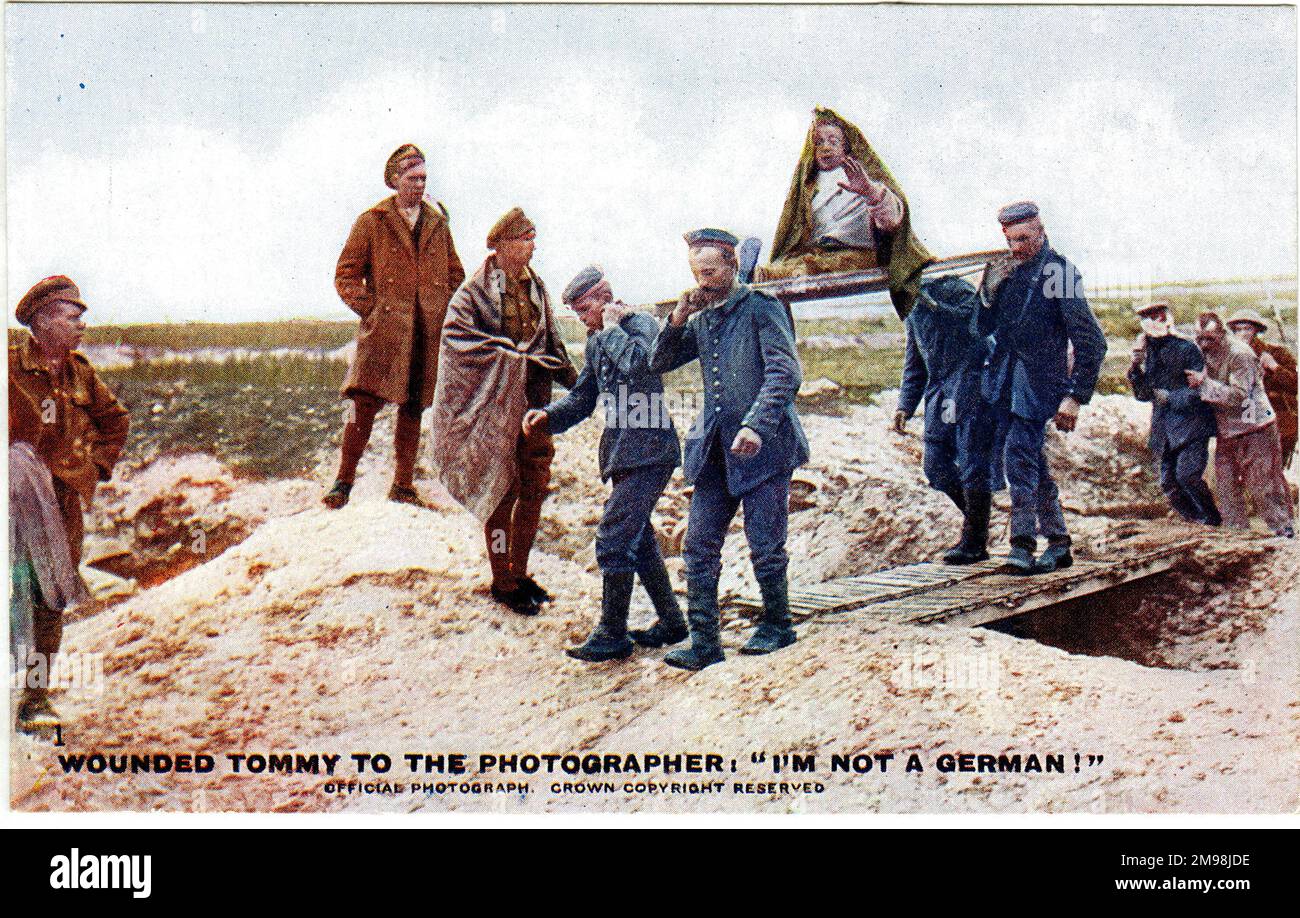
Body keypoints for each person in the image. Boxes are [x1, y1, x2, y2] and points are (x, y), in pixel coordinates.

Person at [649, 228, 810, 670]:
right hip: (716, 451)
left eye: (710, 270)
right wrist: (678, 317)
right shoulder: (702, 318)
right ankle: (704, 642)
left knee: (766, 544)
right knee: (699, 544)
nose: (702, 279)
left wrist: (756, 425)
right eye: (696, 272)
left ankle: (778, 624)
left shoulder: (761, 308)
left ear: (732, 265)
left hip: (766, 448)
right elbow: (659, 363)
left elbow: (785, 372)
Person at [523, 266, 686, 661]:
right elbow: (583, 398)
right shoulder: (598, 342)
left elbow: (641, 367)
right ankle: (672, 622)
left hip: (650, 449)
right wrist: (548, 415)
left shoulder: (642, 325)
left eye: (585, 311)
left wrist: (612, 328)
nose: (583, 321)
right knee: (639, 539)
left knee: (614, 536)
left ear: (604, 298)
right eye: (577, 315)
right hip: (622, 452)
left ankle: (612, 633)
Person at [431, 208, 578, 615]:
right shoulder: (474, 292)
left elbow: (551, 343)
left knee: (534, 486)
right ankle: (502, 578)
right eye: (524, 239)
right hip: (491, 410)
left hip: (534, 402)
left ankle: (521, 570)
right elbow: (457, 341)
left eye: (533, 238)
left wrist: (581, 384)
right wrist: (509, 358)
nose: (532, 245)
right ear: (501, 245)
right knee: (501, 491)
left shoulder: (536, 287)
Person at [9, 276, 130, 734]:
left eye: (82, 319)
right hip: (14, 500)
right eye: (71, 317)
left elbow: (114, 420)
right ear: (42, 320)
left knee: (52, 596)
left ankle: (35, 700)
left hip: (61, 502)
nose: (81, 326)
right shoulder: (10, 366)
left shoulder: (80, 372)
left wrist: (95, 467)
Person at [326, 143, 465, 509]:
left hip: (425, 332)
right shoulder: (373, 221)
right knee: (364, 403)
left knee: (414, 407)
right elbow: (346, 275)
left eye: (423, 178)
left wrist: (440, 308)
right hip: (384, 332)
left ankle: (403, 485)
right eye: (411, 178)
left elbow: (456, 273)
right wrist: (372, 309)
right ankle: (343, 482)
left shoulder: (437, 224)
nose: (419, 185)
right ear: (394, 180)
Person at [980, 201, 1107, 574]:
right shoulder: (1005, 271)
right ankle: (1059, 542)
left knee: (1018, 457)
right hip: (1005, 380)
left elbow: (1092, 342)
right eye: (1011, 240)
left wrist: (1074, 396)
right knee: (1032, 461)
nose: (1018, 248)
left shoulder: (1059, 272)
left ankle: (1021, 546)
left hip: (1040, 383)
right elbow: (984, 329)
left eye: (1025, 238)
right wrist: (988, 292)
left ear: (1041, 230)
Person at [765, 106, 932, 317]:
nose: (826, 148)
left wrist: (870, 191)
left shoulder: (862, 176)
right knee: (787, 268)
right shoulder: (808, 186)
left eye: (833, 141)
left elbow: (892, 220)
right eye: (819, 143)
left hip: (859, 254)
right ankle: (752, 274)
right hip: (818, 253)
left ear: (846, 146)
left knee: (808, 268)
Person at [894, 274, 997, 564]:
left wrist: (935, 305)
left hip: (972, 384)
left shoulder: (952, 288)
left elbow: (979, 326)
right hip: (940, 391)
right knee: (935, 465)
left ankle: (975, 541)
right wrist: (905, 405)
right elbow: (915, 361)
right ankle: (977, 524)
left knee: (973, 464)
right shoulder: (911, 306)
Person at [1189, 312, 1294, 537]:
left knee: (1263, 484)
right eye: (1200, 338)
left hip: (1256, 427)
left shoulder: (1240, 354)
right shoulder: (1201, 351)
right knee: (1226, 484)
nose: (1204, 343)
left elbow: (1239, 396)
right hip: (1227, 429)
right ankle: (1237, 533)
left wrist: (1204, 384)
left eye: (1209, 338)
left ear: (1221, 334)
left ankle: (1284, 531)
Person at [1126, 302, 1220, 526]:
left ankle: (1212, 520)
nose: (1153, 321)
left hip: (1192, 425)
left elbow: (1202, 390)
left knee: (1188, 476)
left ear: (1165, 318)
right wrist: (1135, 368)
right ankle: (1195, 520)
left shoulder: (1187, 348)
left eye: (1157, 316)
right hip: (1165, 429)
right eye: (1148, 317)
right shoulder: (1147, 351)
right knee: (1168, 484)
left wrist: (1171, 398)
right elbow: (1143, 394)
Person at [1225, 308, 1297, 469]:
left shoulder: (1277, 353)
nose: (1242, 334)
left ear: (1256, 330)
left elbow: (1295, 385)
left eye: (1247, 329)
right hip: (1246, 419)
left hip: (1279, 419)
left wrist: (1274, 367)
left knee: (1273, 469)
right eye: (1238, 330)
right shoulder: (1230, 358)